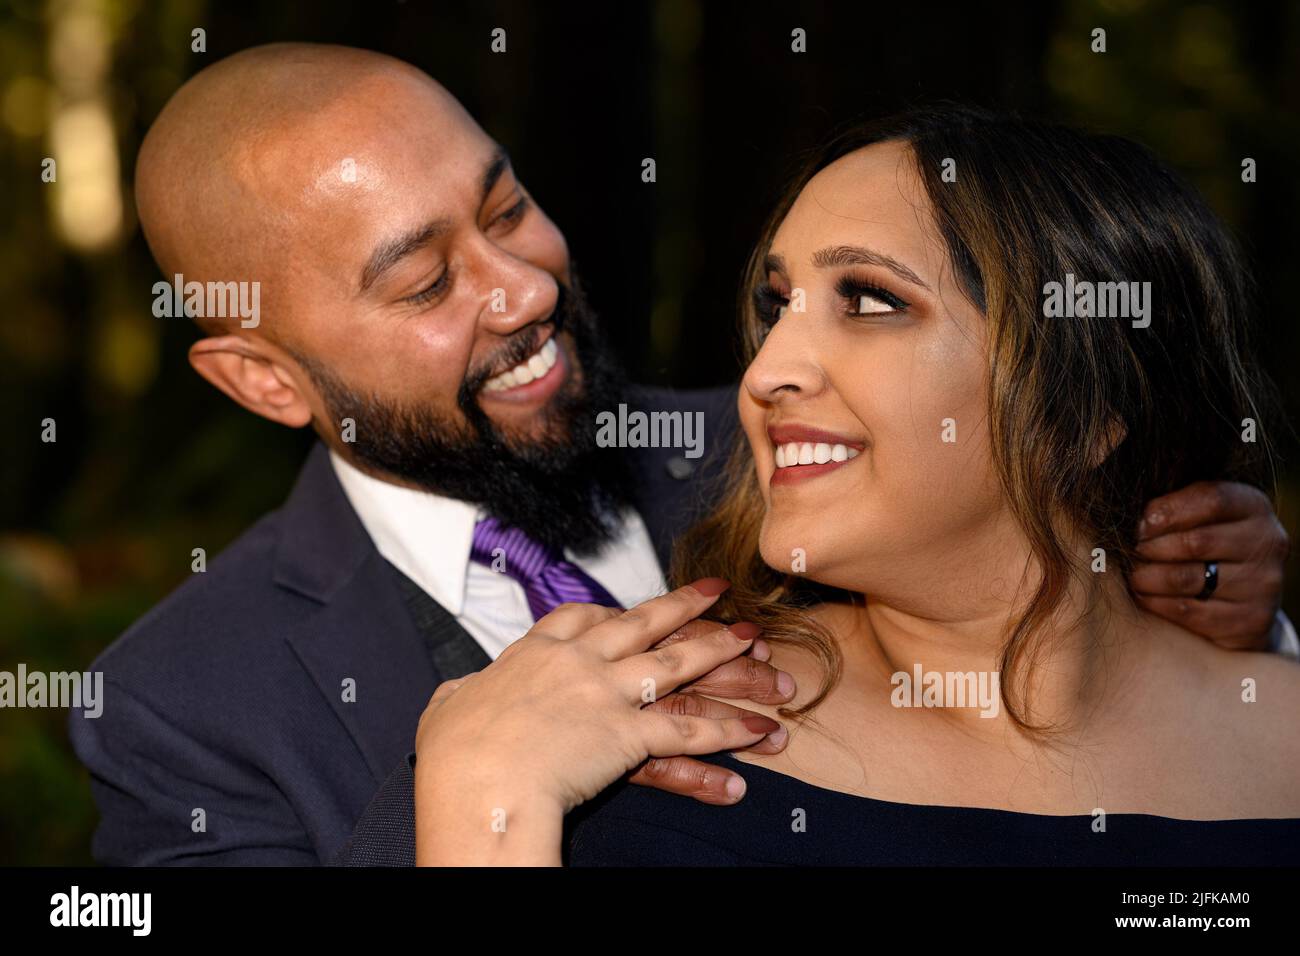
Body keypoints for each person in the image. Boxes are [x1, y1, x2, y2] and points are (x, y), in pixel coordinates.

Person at [68, 46, 1291, 866]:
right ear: (264, 378)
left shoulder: (809, 455)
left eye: (505, 210)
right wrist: (477, 788)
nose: (523, 287)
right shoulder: (179, 703)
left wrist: (1173, 586)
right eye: (428, 280)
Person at [409, 106, 1300, 866]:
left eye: (871, 300)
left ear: (1092, 409)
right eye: (775, 306)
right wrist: (483, 801)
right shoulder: (659, 767)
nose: (765, 373)